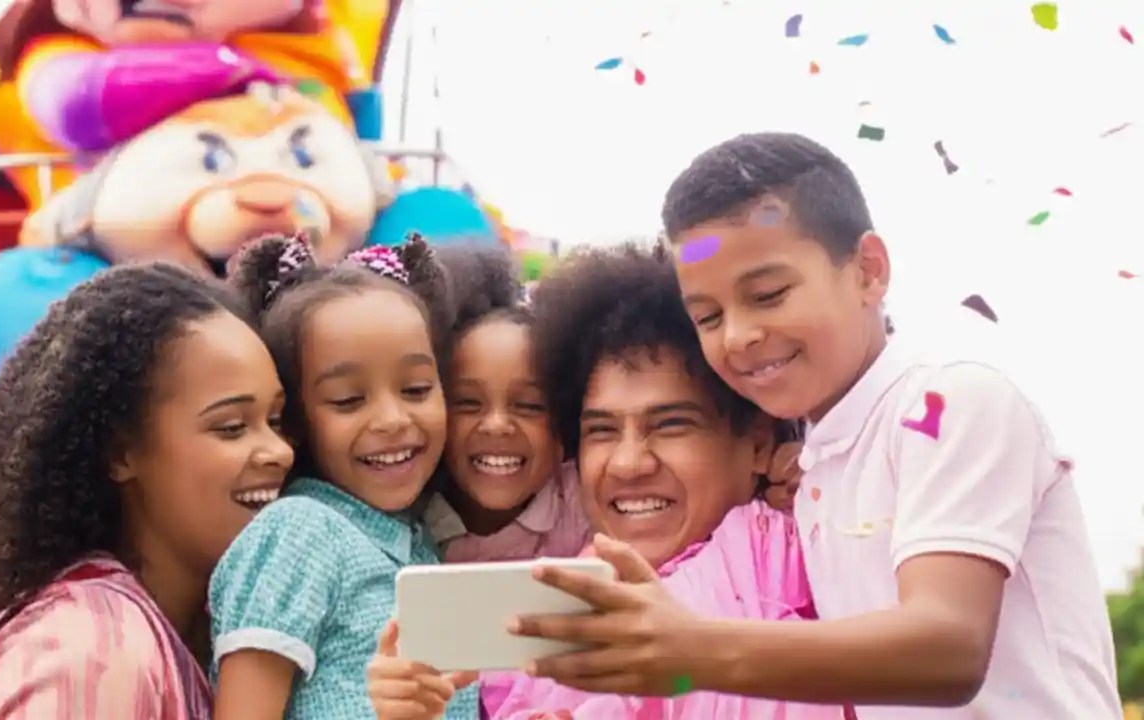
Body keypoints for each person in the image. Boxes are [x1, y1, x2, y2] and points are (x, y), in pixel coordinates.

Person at [510, 133, 1120, 719]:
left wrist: (688, 647)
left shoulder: (950, 404)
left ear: (869, 270)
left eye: (768, 294)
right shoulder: (810, 473)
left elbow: (948, 647)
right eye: (709, 316)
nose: (739, 336)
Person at [367, 242, 841, 719]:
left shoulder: (815, 554)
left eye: (671, 425)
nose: (627, 464)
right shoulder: (551, 604)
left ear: (758, 443)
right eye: (601, 431)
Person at [0, 263, 294, 719]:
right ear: (121, 453)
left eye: (276, 421)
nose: (279, 451)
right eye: (232, 426)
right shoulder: (91, 650)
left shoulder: (185, 637)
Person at [209, 233, 479, 719]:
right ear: (294, 419)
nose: (392, 419)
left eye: (416, 389)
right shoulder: (297, 532)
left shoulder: (422, 544)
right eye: (349, 400)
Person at [422, 243, 590, 563]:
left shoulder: (584, 508)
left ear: (564, 427)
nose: (497, 425)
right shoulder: (411, 514)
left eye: (529, 405)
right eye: (468, 403)